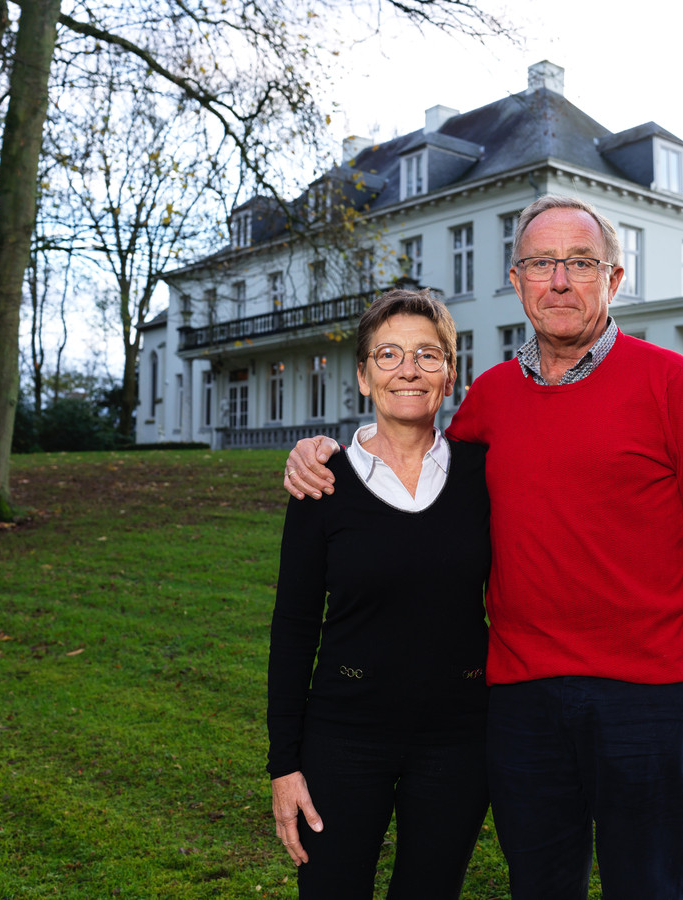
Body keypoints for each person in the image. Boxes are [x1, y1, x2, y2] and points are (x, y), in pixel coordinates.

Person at [283, 195, 683, 900]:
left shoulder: (675, 385)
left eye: (580, 263)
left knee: (648, 886)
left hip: (647, 699)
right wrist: (325, 451)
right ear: (517, 279)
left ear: (614, 279)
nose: (560, 280)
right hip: (520, 699)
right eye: (542, 263)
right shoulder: (494, 398)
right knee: (539, 886)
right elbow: (417, 457)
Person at [267, 288, 491, 899]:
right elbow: (292, 629)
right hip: (345, 735)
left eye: (427, 354)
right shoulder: (322, 481)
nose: (408, 370)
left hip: (458, 738)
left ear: (449, 375)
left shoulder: (483, 474)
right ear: (364, 376)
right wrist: (284, 765)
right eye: (388, 355)